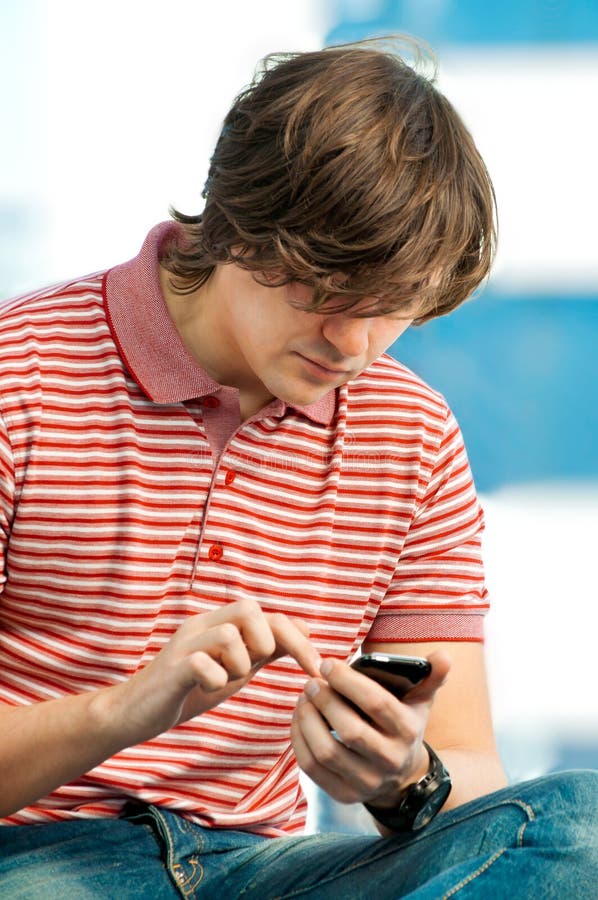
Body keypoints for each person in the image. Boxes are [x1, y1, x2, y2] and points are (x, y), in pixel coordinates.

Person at [0, 38, 596, 899]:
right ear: (240, 220)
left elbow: (471, 773)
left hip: (267, 871)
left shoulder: (411, 433)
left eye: (392, 309)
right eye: (326, 291)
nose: (352, 347)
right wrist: (121, 713)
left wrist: (404, 780)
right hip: (35, 857)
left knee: (581, 833)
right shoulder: (22, 373)